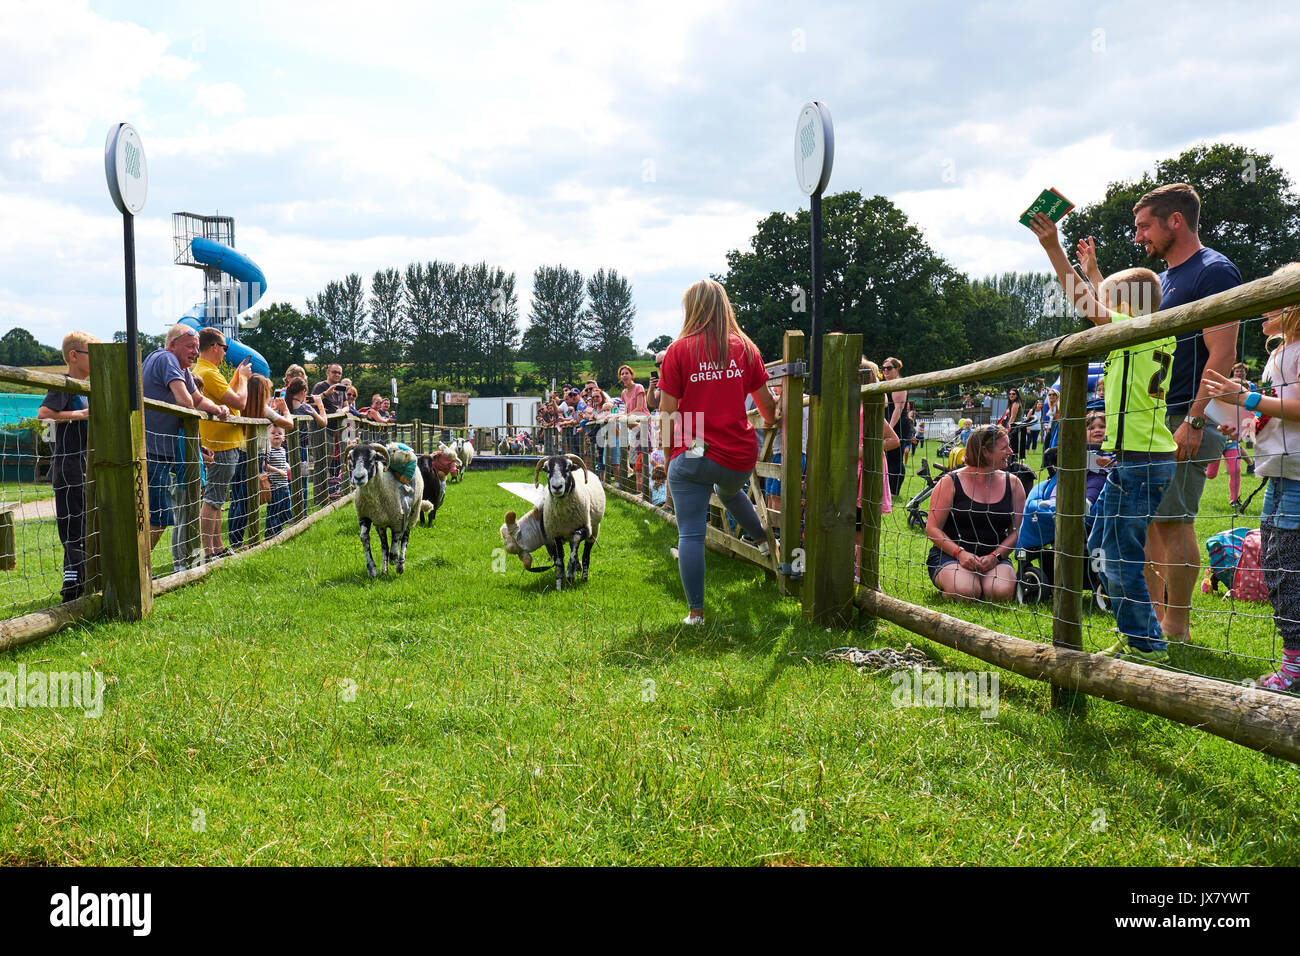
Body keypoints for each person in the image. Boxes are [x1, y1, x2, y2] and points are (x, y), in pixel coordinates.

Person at [1031, 211, 1177, 663]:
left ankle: (1147, 646)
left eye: (1111, 300)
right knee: (1107, 546)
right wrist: (1097, 272)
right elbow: (1103, 300)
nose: (1102, 309)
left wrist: (1052, 247)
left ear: (1126, 308)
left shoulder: (1131, 333)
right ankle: (1140, 634)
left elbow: (1083, 302)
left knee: (1116, 557)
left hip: (1138, 460)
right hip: (1140, 459)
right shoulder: (1151, 331)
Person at [1131, 184, 1243, 643]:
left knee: (1175, 520)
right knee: (1156, 521)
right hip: (1162, 413)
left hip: (1187, 413)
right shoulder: (1169, 279)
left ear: (1175, 220)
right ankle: (1158, 618)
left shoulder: (1213, 271)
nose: (1139, 237)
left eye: (1145, 226)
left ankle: (1176, 626)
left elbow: (1222, 352)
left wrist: (1195, 420)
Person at [1203, 262, 1300, 689]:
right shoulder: (1278, 355)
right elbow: (1276, 414)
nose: (1260, 312)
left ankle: (1295, 668)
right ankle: (1294, 660)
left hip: (1297, 475)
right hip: (1277, 471)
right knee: (1279, 566)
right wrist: (1241, 418)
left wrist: (1249, 398)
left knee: (1288, 567)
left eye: (1268, 303)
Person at [658, 279, 776, 626]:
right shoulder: (745, 348)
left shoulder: (679, 351)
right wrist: (774, 419)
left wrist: (669, 459)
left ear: (692, 308)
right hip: (739, 454)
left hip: (695, 451)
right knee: (729, 490)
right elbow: (767, 407)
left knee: (690, 533)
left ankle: (696, 613)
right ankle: (764, 542)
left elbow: (666, 413)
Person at [141, 325, 229, 553]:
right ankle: (136, 570)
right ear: (172, 344)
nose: (195, 352)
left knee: (155, 513)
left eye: (197, 348)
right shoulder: (167, 358)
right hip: (152, 450)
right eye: (190, 346)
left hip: (158, 449)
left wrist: (218, 408)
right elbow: (186, 401)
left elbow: (198, 400)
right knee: (159, 515)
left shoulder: (180, 368)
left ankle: (138, 568)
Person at [924, 424, 1025, 601]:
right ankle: (960, 583)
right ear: (985, 452)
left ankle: (980, 581)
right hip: (951, 555)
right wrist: (960, 554)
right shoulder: (950, 482)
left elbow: (1017, 531)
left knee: (1000, 592)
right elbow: (932, 529)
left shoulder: (1014, 483)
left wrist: (996, 556)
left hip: (994, 556)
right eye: (1004, 448)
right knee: (966, 590)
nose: (1010, 451)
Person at [37, 331, 98, 602]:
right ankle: (72, 588)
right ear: (74, 356)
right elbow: (44, 415)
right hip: (69, 468)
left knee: (87, 525)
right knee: (74, 529)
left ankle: (85, 579)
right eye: (91, 354)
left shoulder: (85, 388)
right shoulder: (64, 384)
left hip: (85, 467)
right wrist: (81, 414)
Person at [193, 328, 250, 559]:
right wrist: (244, 379)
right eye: (225, 348)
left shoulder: (206, 371)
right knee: (213, 499)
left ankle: (217, 547)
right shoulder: (209, 373)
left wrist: (235, 378)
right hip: (221, 443)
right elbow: (240, 402)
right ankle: (208, 551)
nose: (226, 353)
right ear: (215, 346)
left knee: (216, 498)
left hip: (219, 441)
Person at [312, 363, 348, 499]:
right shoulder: (320, 386)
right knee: (321, 462)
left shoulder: (341, 389)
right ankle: (319, 497)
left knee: (328, 461)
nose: (337, 375)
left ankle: (325, 494)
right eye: (334, 372)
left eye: (339, 373)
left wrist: (341, 411)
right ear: (328, 372)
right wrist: (326, 394)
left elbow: (347, 407)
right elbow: (311, 401)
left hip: (334, 430)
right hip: (321, 429)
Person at [882, 357, 910, 497]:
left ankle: (894, 491)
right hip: (888, 424)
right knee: (886, 457)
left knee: (895, 458)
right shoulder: (884, 384)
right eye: (884, 368)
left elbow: (898, 409)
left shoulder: (899, 384)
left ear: (897, 369)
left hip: (897, 425)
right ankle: (887, 489)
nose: (885, 370)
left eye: (889, 368)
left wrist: (889, 429)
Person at [262, 425, 293, 538]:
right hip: (275, 487)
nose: (276, 435)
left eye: (279, 433)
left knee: (286, 508)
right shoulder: (269, 450)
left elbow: (282, 461)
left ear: (284, 437)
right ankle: (270, 534)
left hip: (284, 485)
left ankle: (280, 529)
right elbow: (265, 465)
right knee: (274, 509)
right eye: (273, 433)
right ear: (268, 436)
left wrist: (286, 465)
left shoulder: (283, 450)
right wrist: (278, 470)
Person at [998, 387, 1024, 458]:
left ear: (1017, 395)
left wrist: (1008, 428)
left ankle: (1013, 460)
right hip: (1014, 426)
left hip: (1014, 426)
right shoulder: (1013, 403)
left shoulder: (1015, 403)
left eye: (1013, 394)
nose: (1011, 395)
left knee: (1012, 444)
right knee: (1012, 444)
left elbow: (1013, 417)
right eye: (1010, 394)